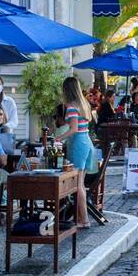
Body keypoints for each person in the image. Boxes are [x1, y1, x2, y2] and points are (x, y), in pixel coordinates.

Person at [52, 76, 95, 228]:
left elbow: (73, 129)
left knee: (78, 185)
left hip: (78, 144)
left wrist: (59, 138)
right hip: (86, 142)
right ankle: (81, 218)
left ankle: (83, 220)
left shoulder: (71, 106)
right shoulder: (84, 104)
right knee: (80, 184)